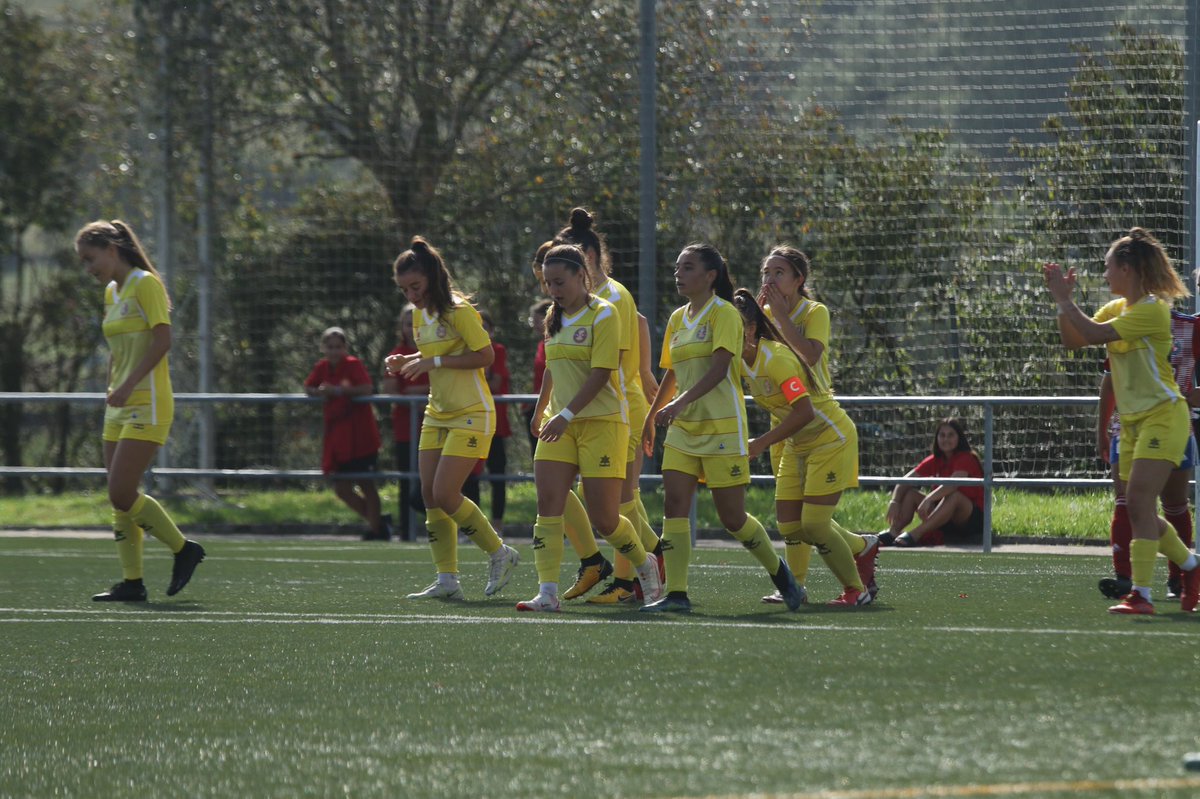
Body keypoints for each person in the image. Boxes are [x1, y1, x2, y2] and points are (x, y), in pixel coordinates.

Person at [640, 243, 803, 614]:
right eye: (677, 267)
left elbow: (718, 370)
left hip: (722, 429)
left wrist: (679, 403)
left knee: (732, 518)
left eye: (688, 267)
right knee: (674, 505)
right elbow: (671, 372)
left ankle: (782, 574)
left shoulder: (724, 314)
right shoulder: (678, 318)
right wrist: (651, 416)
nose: (679, 274)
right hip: (684, 431)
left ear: (711, 275)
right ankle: (677, 593)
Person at [1044, 227, 1200, 614]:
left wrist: (1067, 300)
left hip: (1164, 416)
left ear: (1127, 269)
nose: (1104, 274)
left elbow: (1093, 333)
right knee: (1137, 508)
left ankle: (1142, 595)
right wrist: (1062, 304)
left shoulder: (1152, 309)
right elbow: (1074, 340)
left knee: (1142, 501)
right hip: (1132, 423)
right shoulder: (1118, 308)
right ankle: (1192, 566)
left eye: (1108, 266)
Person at [520, 244, 664, 611]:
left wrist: (565, 414)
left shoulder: (604, 313)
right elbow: (553, 366)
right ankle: (547, 592)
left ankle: (644, 564)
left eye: (559, 281)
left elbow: (601, 374)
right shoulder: (554, 316)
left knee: (605, 518)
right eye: (548, 283)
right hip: (561, 423)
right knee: (548, 503)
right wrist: (541, 412)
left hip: (602, 424)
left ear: (581, 276)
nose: (553, 290)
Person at [76, 219, 205, 602]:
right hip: (119, 404)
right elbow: (119, 351)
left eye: (91, 258)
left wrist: (130, 385)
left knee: (120, 491)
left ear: (112, 250)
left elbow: (163, 340)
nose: (88, 268)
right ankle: (132, 582)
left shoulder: (145, 284)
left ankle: (184, 549)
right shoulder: (111, 294)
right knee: (120, 495)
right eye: (83, 261)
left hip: (147, 401)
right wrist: (111, 387)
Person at [387, 236, 520, 600]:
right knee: (430, 496)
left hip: (472, 413)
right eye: (404, 289)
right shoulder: (418, 315)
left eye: (415, 286)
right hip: (437, 412)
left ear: (431, 276)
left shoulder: (459, 310)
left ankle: (500, 554)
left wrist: (435, 361)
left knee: (446, 493)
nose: (411, 295)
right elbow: (431, 354)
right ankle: (447, 581)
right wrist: (408, 361)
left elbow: (485, 355)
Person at [734, 288, 879, 606]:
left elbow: (805, 411)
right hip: (797, 444)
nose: (729, 334)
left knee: (814, 524)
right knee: (789, 525)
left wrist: (759, 443)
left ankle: (857, 590)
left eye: (737, 327)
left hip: (830, 438)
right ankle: (860, 547)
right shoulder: (738, 361)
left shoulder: (777, 358)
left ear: (752, 328)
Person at [1096, 310, 1200, 599]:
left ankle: (1179, 576)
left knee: (1173, 504)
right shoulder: (1121, 316)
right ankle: (1127, 581)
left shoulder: (1189, 326)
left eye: (1113, 266)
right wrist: (1102, 428)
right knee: (1129, 503)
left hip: (1170, 423)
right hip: (1128, 426)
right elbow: (1110, 378)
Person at [304, 326, 390, 541]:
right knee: (342, 489)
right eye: (330, 347)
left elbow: (366, 388)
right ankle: (379, 523)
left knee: (366, 484)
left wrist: (339, 391)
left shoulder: (353, 365)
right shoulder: (322, 367)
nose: (334, 351)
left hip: (360, 437)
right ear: (323, 348)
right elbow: (309, 386)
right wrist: (319, 391)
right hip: (338, 440)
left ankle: (375, 529)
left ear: (345, 348)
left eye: (338, 347)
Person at [878, 418, 983, 547]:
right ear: (937, 438)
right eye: (942, 435)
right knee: (911, 494)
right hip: (942, 517)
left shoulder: (966, 457)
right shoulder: (935, 460)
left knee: (953, 496)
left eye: (951, 435)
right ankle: (893, 532)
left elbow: (953, 484)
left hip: (968, 520)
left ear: (959, 438)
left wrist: (929, 498)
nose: (946, 439)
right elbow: (906, 480)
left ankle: (916, 533)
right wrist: (895, 501)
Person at [382, 304, 429, 540]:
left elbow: (442, 384)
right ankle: (406, 532)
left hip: (435, 425)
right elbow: (391, 391)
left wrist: (421, 394)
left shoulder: (434, 351)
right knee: (406, 480)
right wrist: (413, 397)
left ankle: (442, 528)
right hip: (405, 429)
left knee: (434, 481)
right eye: (408, 323)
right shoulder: (396, 355)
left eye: (417, 323)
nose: (412, 329)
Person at [478, 309, 511, 530]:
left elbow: (496, 383)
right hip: (472, 422)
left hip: (496, 424)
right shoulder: (465, 351)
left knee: (497, 475)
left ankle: (497, 524)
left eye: (485, 328)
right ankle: (474, 526)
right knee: (469, 476)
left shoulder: (497, 350)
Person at [524, 297, 553, 458]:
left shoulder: (555, 342)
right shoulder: (542, 344)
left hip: (553, 406)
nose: (534, 325)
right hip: (539, 404)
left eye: (536, 320)